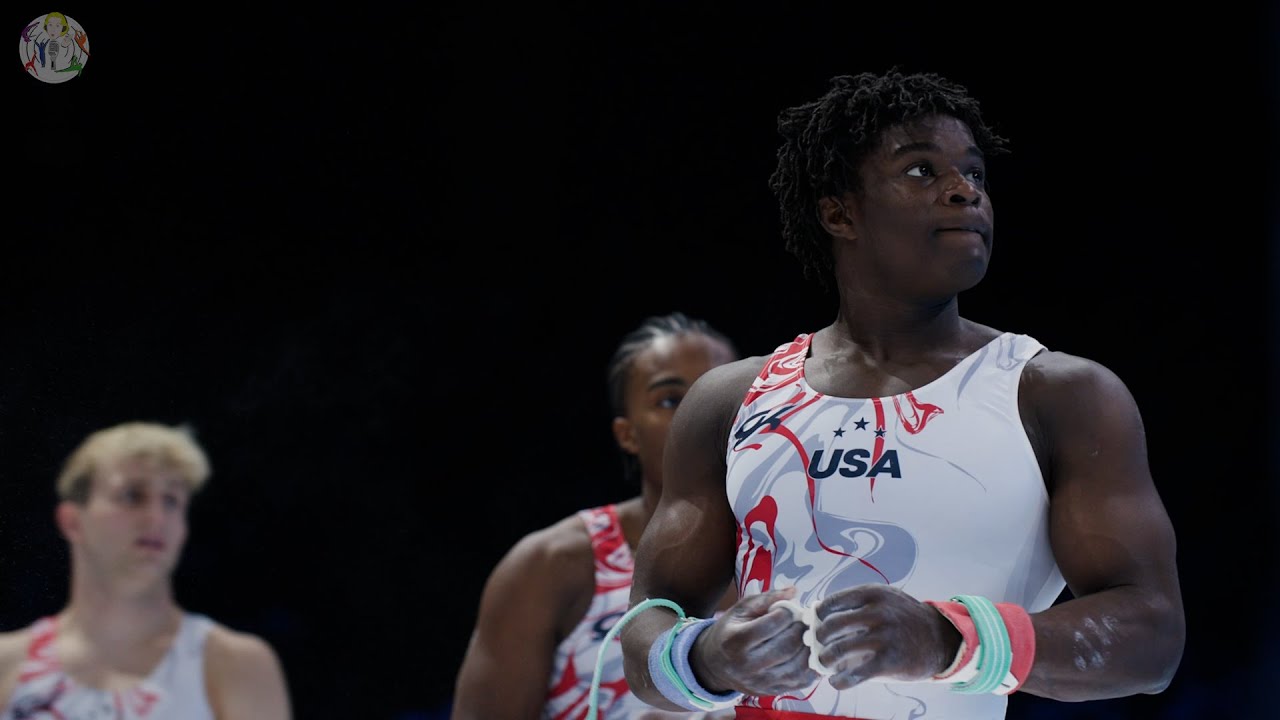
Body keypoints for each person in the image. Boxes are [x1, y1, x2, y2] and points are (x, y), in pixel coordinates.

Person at [617, 69, 1186, 719]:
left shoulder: (1059, 395)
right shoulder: (730, 400)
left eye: (974, 174)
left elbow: (1153, 641)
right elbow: (647, 625)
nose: (963, 192)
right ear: (838, 212)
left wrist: (947, 640)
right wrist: (709, 657)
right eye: (922, 171)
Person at [451, 312, 743, 719]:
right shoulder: (550, 565)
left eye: (715, 397)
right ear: (627, 434)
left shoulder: (797, 546)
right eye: (671, 399)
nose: (698, 417)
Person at [0, 421, 292, 720]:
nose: (156, 518)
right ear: (72, 522)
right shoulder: (6, 665)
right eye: (132, 496)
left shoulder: (234, 666)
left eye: (171, 501)